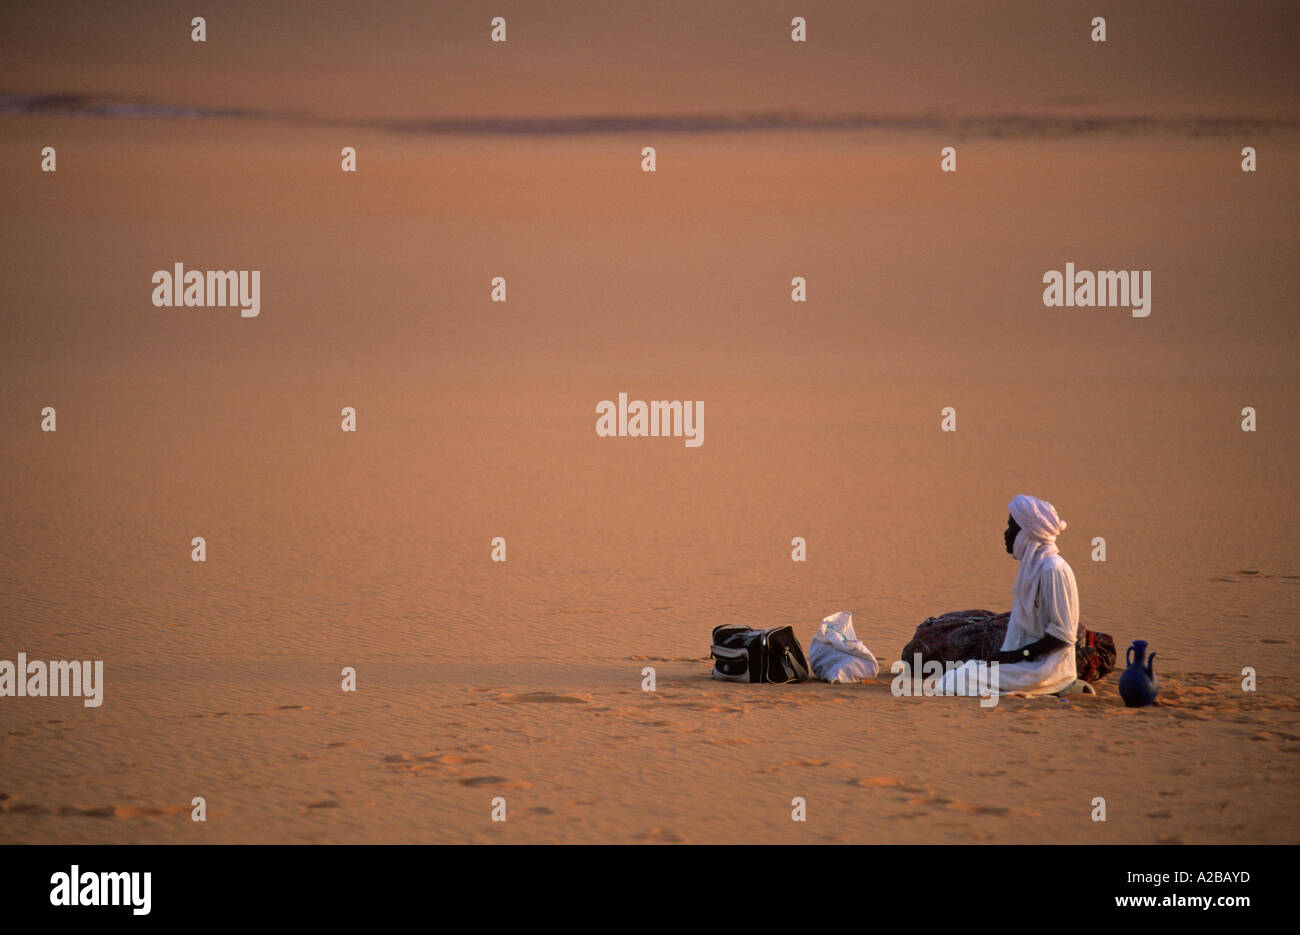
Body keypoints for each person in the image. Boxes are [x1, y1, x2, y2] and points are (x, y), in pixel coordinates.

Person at [939, 494, 1080, 697]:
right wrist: (1006, 657)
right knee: (957, 675)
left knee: (960, 679)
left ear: (1027, 533)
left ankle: (1058, 688)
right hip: (1026, 663)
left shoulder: (1053, 569)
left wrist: (1015, 656)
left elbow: (1063, 635)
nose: (1006, 534)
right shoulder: (1034, 568)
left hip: (1047, 670)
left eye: (1012, 528)